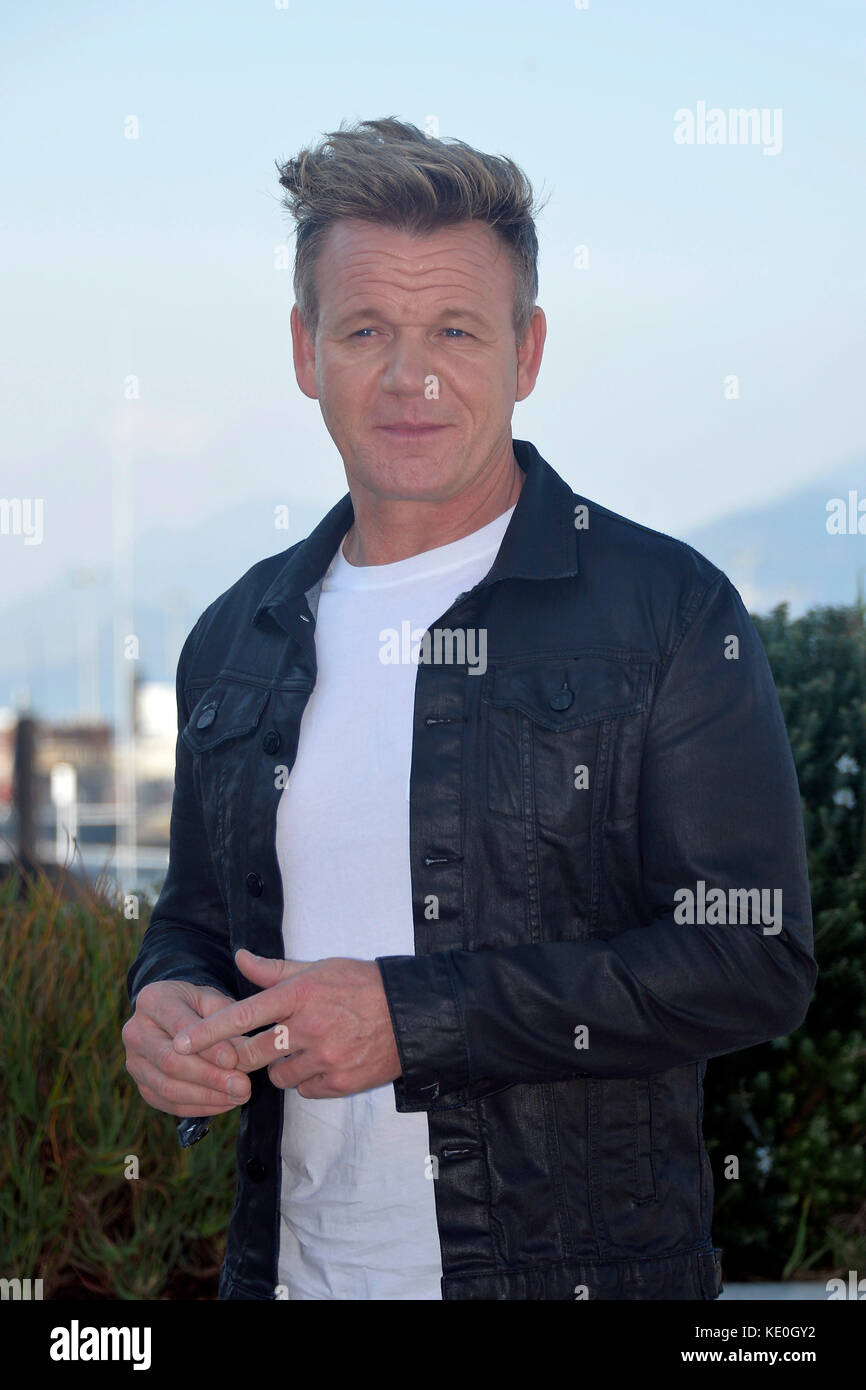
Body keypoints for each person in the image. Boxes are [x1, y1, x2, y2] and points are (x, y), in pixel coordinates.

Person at [123, 116, 817, 1301]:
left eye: (453, 328)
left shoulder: (664, 612)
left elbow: (750, 954)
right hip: (286, 1276)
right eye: (364, 331)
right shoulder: (234, 639)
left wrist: (418, 1018)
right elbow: (196, 915)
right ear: (304, 349)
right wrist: (162, 1005)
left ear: (527, 348)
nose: (411, 376)